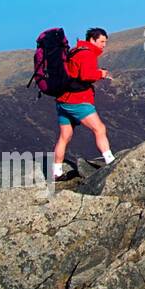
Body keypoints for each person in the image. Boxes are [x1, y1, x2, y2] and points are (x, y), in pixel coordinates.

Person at [53, 28, 115, 178]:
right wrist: (101, 73)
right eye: (101, 41)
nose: (104, 45)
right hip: (77, 101)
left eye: (105, 42)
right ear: (92, 40)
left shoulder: (75, 50)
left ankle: (56, 172)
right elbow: (86, 75)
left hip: (62, 100)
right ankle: (111, 161)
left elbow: (75, 72)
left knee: (65, 136)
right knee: (99, 128)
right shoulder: (88, 54)